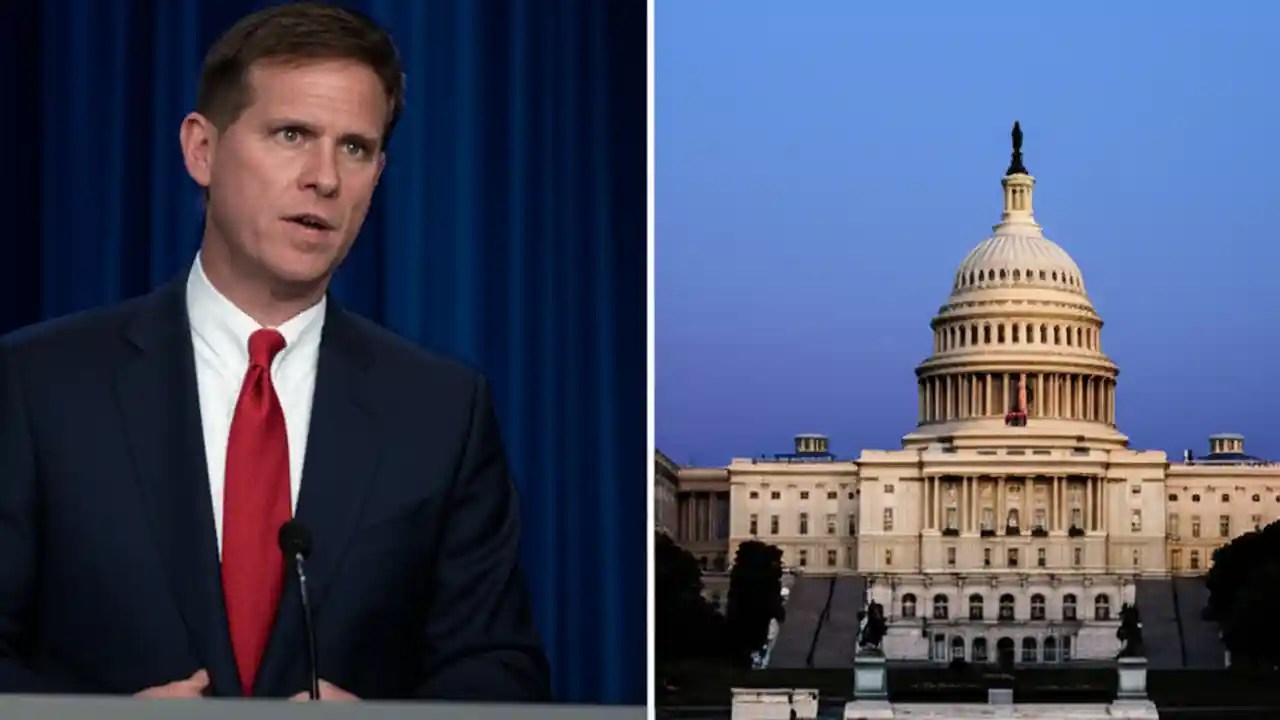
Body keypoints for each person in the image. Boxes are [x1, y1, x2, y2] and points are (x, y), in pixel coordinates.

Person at [0, 2, 549, 701]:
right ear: (202, 149)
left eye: (355, 149)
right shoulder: (38, 384)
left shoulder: (442, 411)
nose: (325, 177)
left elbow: (501, 672)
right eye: (292, 134)